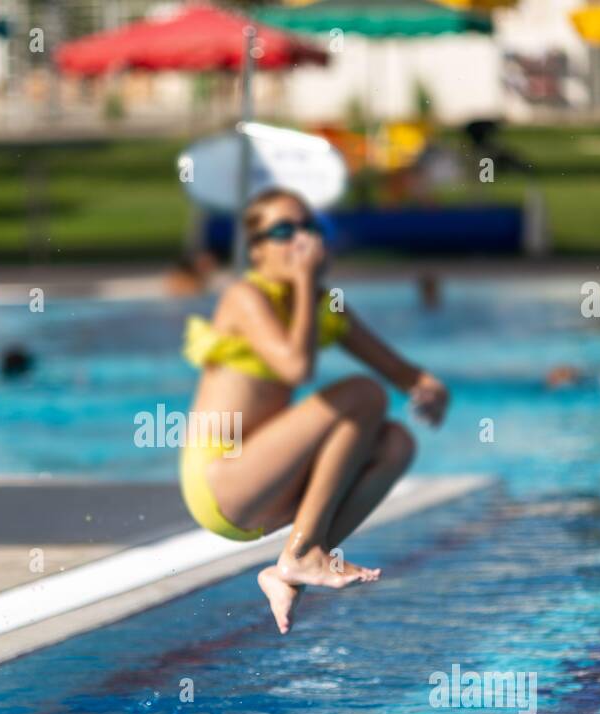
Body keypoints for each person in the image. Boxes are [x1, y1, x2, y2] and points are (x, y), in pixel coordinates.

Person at [180, 187, 449, 633]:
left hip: (269, 484)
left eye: (309, 228)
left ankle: (294, 564)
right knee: (362, 393)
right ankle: (306, 552)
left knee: (395, 443)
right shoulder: (245, 296)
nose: (300, 240)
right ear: (257, 249)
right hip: (221, 480)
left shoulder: (323, 304)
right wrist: (305, 282)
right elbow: (297, 366)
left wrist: (430, 388)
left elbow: (400, 372)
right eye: (284, 231)